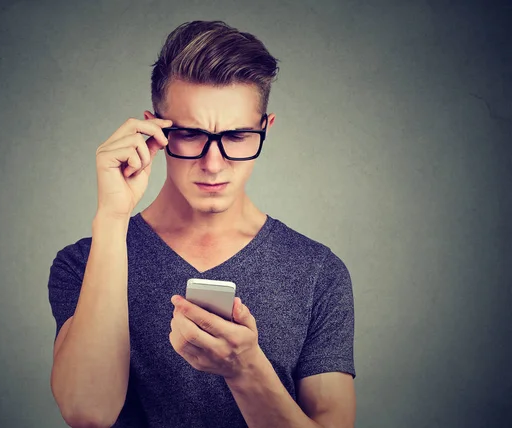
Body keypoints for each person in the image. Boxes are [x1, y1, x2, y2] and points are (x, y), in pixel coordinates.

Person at [47, 20, 356, 428]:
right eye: (190, 134)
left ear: (265, 129)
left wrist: (244, 368)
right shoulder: (83, 262)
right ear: (153, 131)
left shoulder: (318, 271)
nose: (213, 164)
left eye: (238, 136)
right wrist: (112, 216)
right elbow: (87, 412)